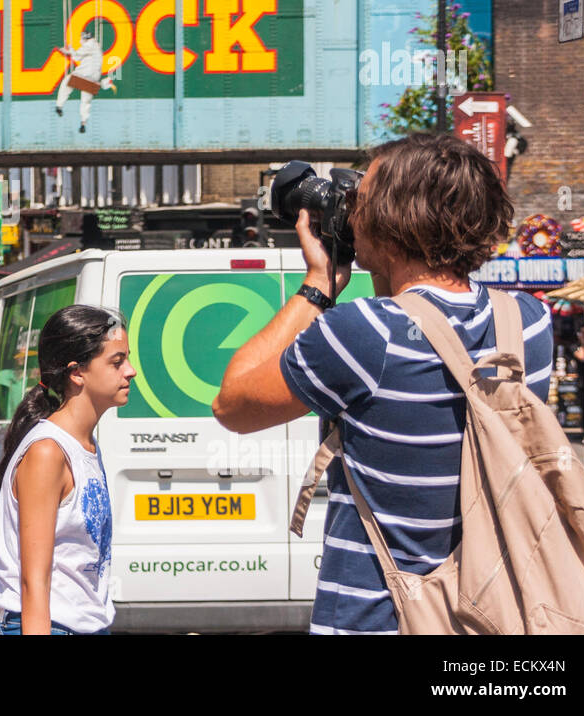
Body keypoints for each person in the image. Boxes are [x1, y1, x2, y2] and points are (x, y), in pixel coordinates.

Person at [213, 133, 552, 635]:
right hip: (490, 614)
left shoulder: (362, 334)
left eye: (359, 201)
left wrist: (319, 284)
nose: (350, 213)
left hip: (377, 618)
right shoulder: (529, 323)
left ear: (393, 221)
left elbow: (233, 405)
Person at [0, 305, 130, 635]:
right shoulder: (48, 452)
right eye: (117, 361)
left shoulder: (85, 445)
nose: (131, 371)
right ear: (77, 373)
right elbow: (33, 582)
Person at [54, 29, 117, 133]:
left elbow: (77, 56)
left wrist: (68, 50)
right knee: (86, 101)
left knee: (66, 83)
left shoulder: (90, 45)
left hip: (83, 75)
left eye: (81, 38)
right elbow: (79, 56)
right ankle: (83, 123)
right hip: (93, 79)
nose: (80, 41)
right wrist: (70, 51)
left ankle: (59, 105)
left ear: (85, 38)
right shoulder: (96, 47)